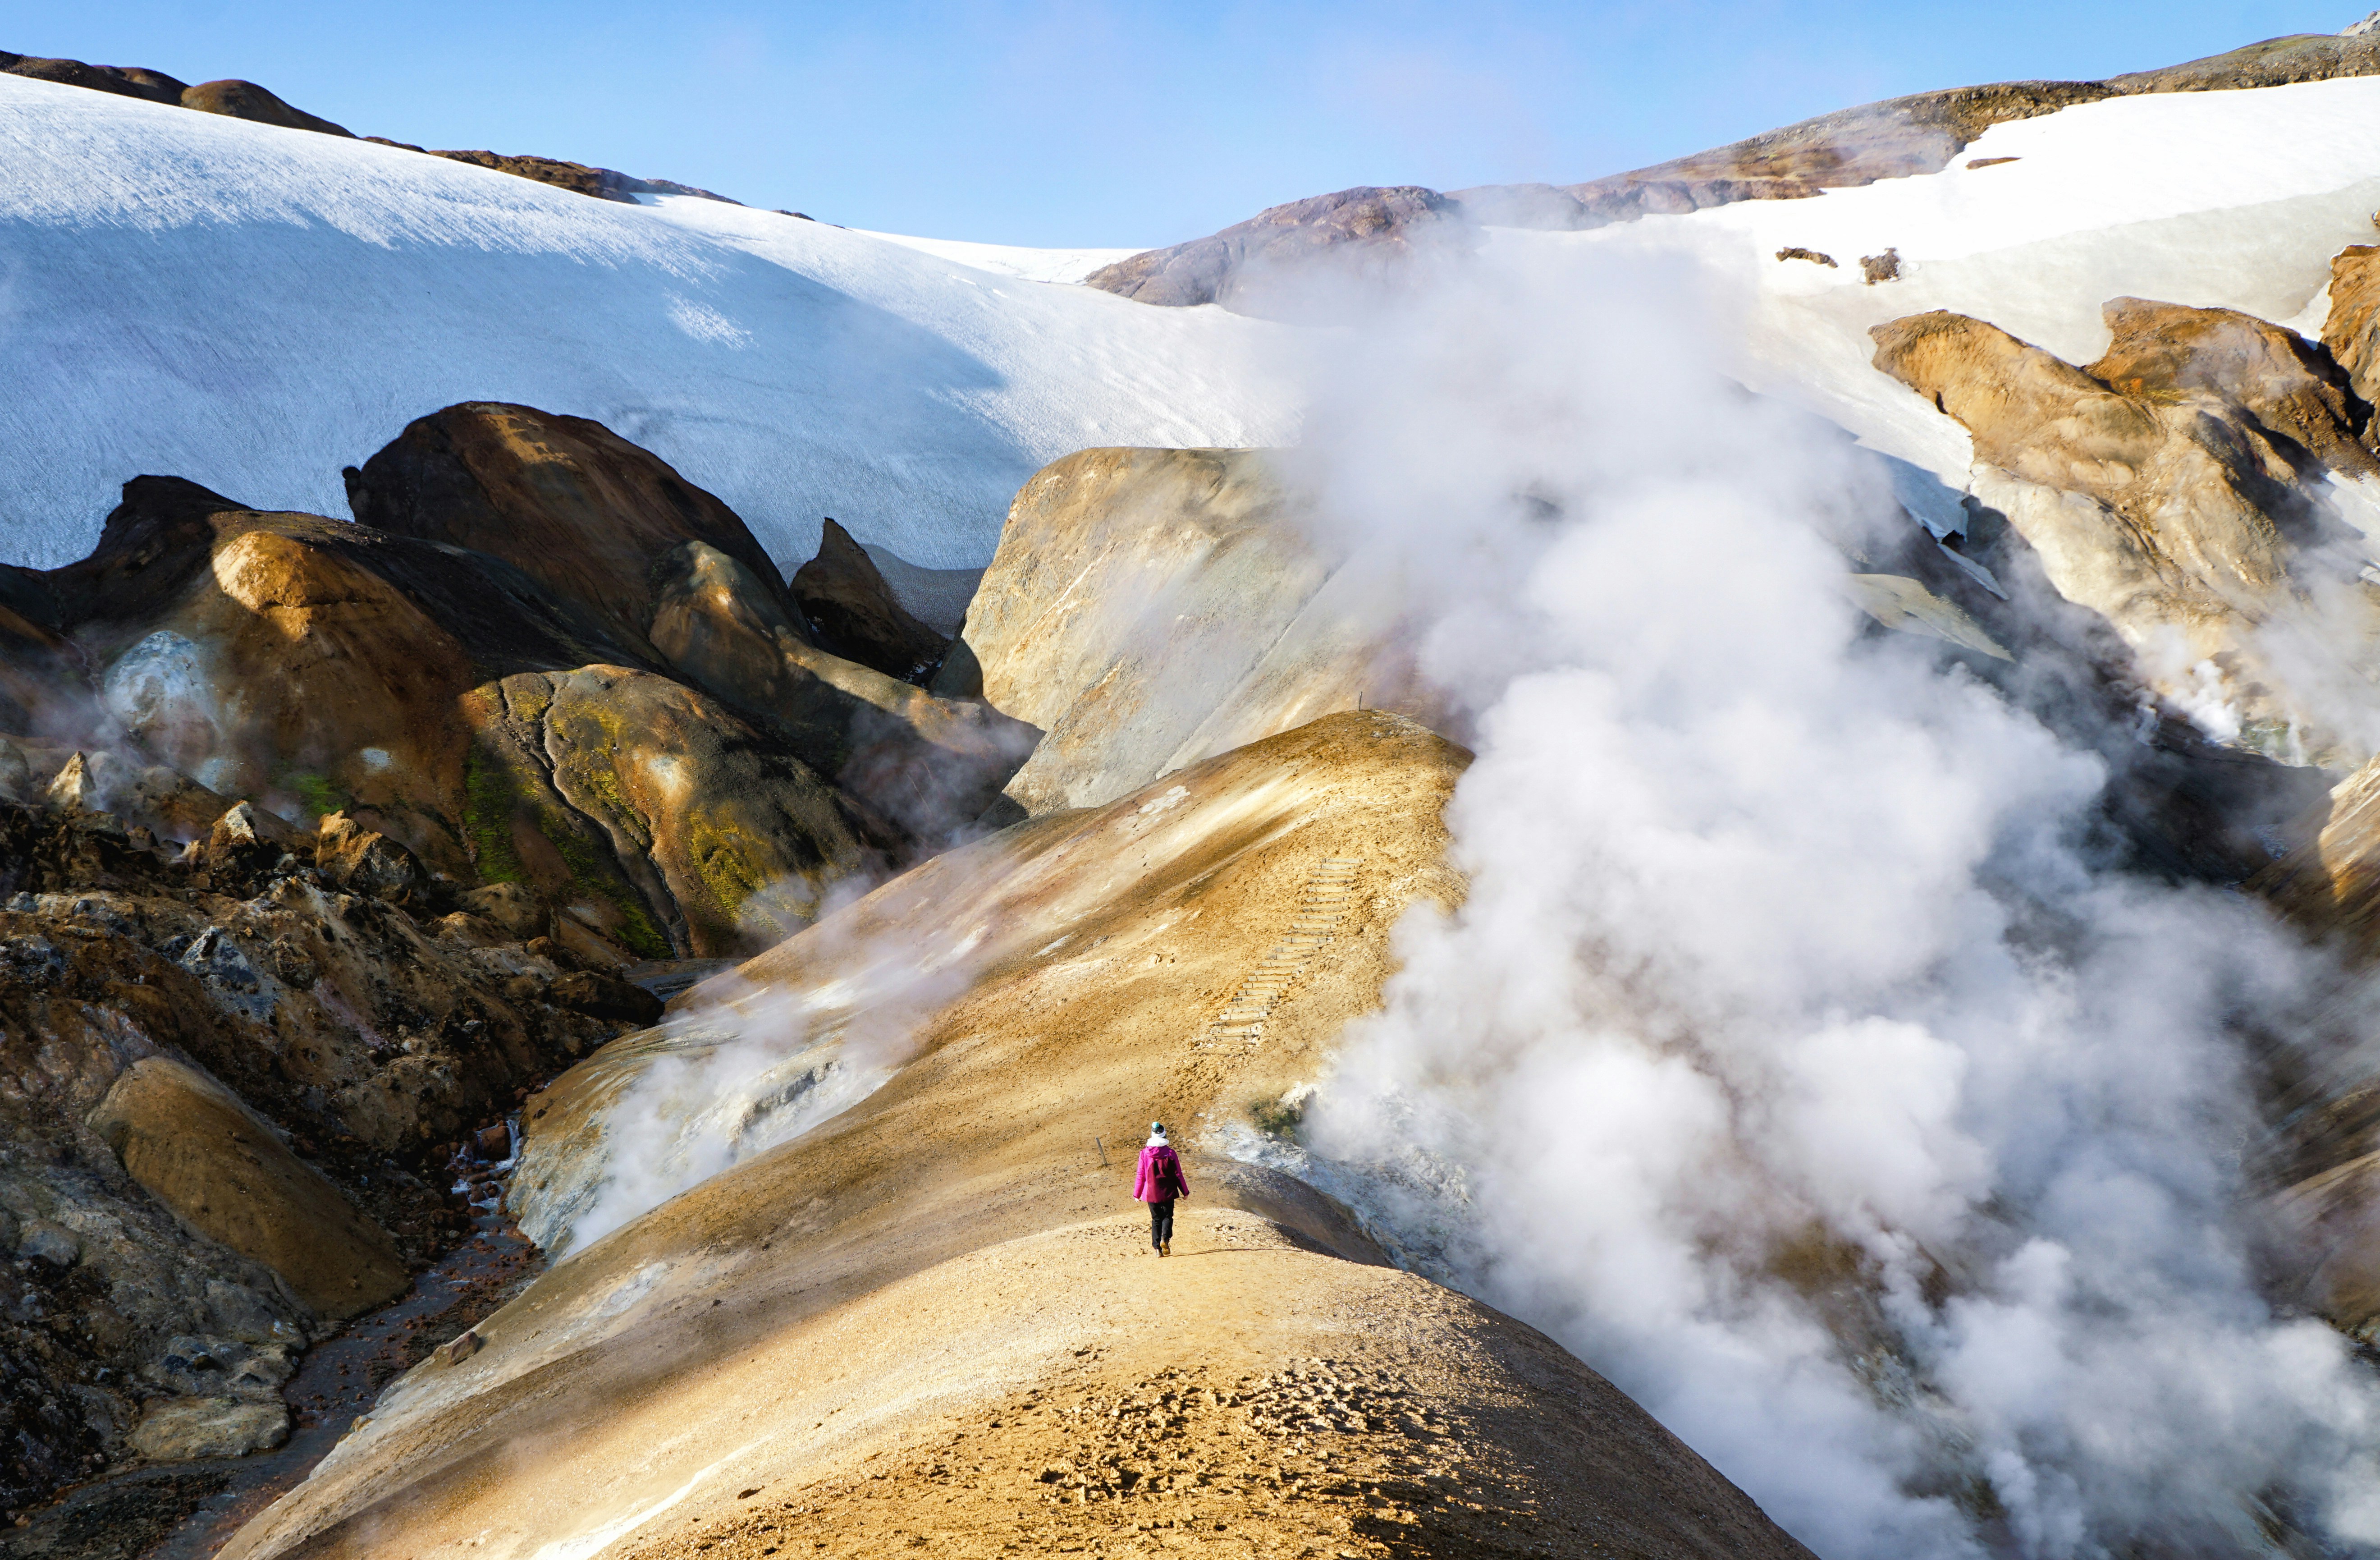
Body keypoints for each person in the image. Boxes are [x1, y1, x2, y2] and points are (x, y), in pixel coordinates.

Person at [1134, 1121, 1189, 1256]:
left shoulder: (1144, 1153)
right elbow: (1178, 1174)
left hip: (1150, 1192)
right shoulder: (1170, 1153)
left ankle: (1157, 1249)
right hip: (1168, 1191)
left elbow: (1141, 1175)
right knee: (1168, 1217)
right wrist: (1185, 1191)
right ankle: (1166, 1238)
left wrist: (1137, 1194)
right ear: (1164, 1135)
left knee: (1156, 1219)